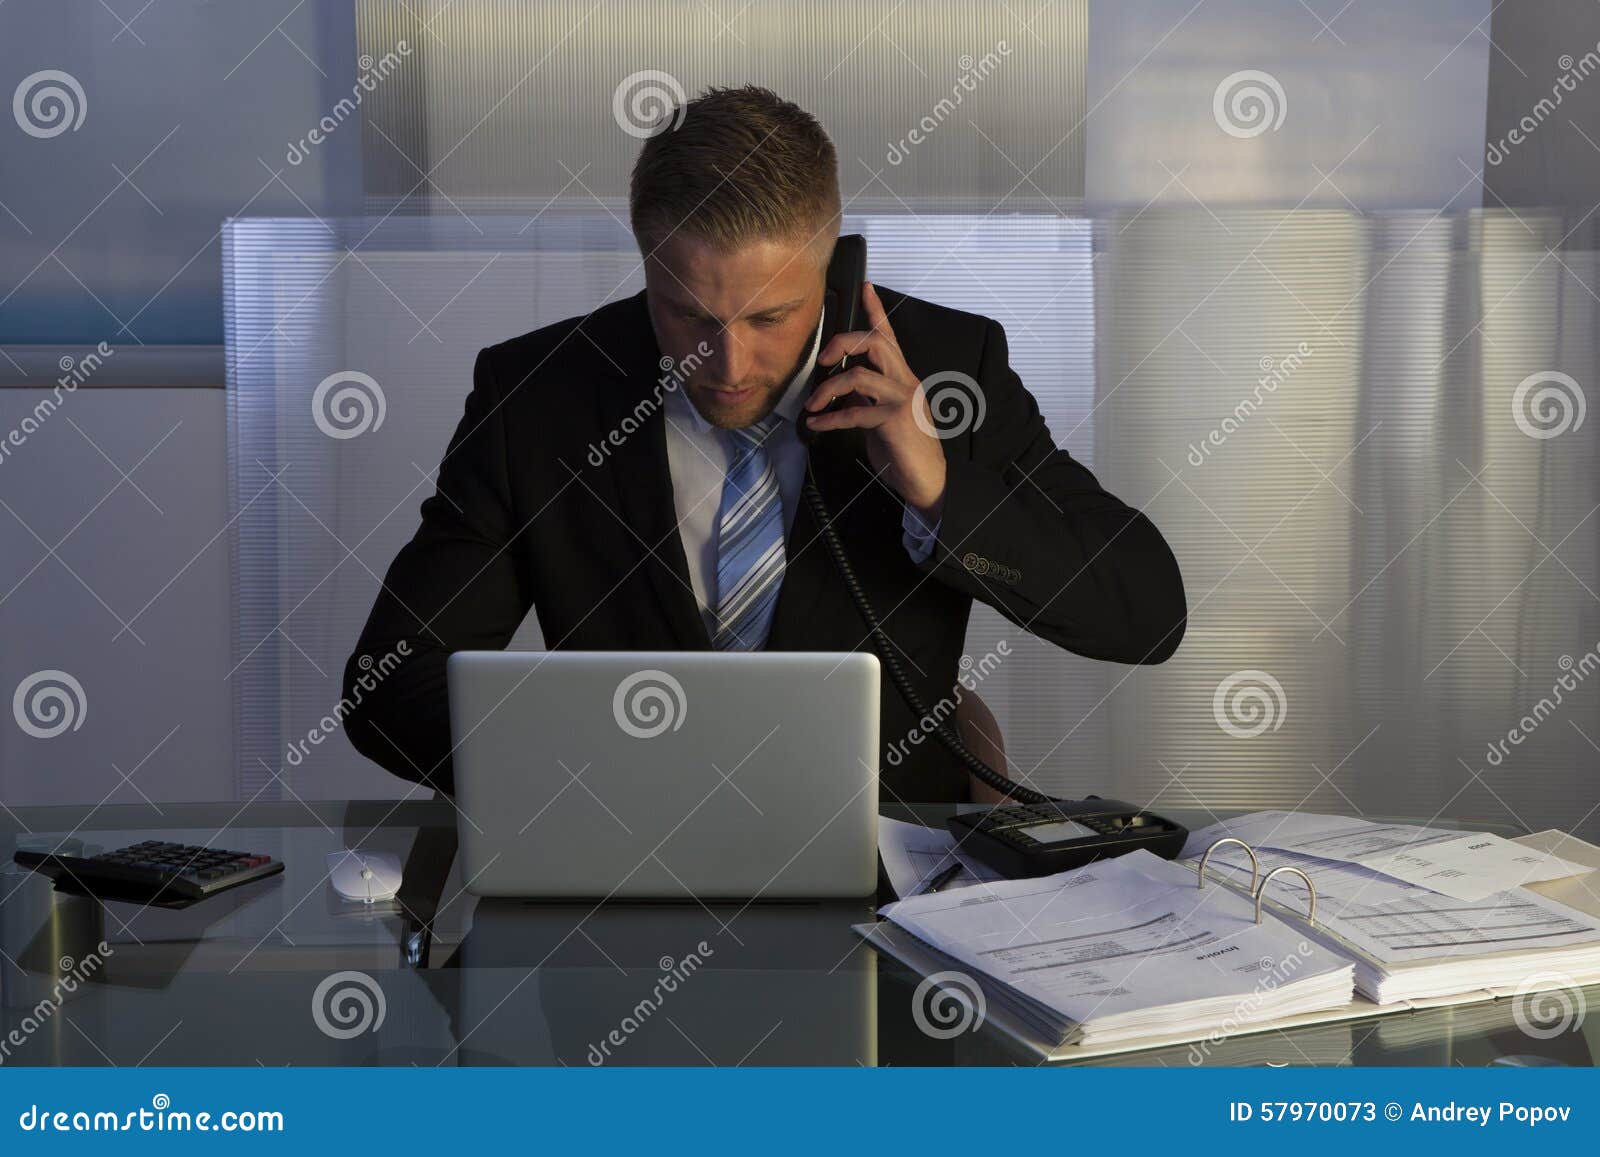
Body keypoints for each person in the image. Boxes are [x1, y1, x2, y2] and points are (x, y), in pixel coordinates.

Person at [342, 84, 1186, 804]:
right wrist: (603, 777)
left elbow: (1145, 613)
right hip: (624, 891)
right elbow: (389, 687)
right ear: (645, 265)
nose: (729, 364)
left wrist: (936, 488)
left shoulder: (947, 369)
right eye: (689, 316)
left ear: (834, 270)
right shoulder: (536, 398)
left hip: (890, 896)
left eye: (771, 317)